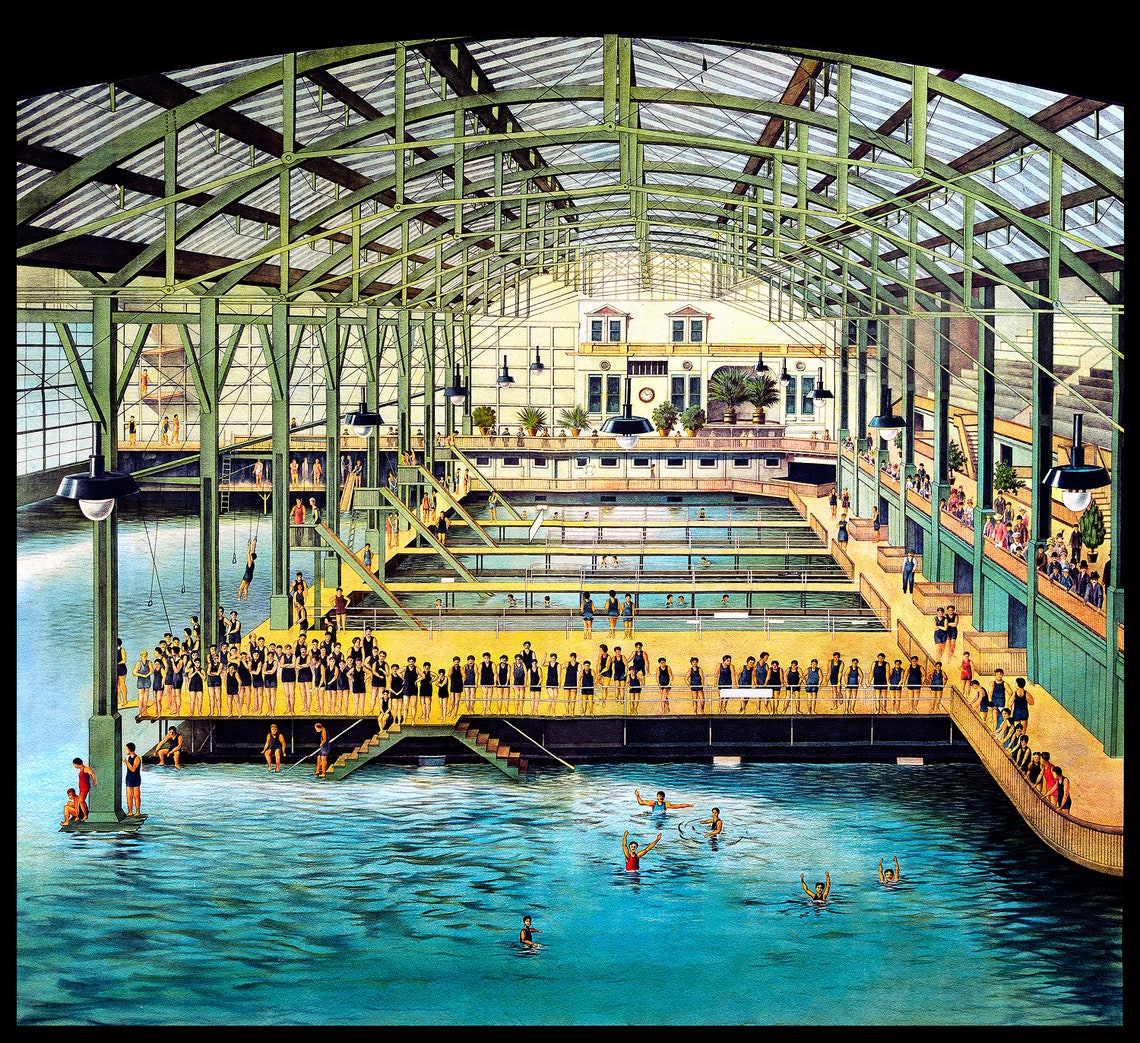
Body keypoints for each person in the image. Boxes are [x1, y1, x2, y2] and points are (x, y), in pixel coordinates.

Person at [120, 743, 142, 816]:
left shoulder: (137, 758)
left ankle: (138, 811)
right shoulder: (129, 757)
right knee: (129, 796)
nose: (125, 750)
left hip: (135, 778)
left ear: (130, 749)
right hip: (129, 778)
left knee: (136, 795)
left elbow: (133, 769)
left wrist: (126, 761)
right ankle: (130, 811)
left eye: (126, 749)